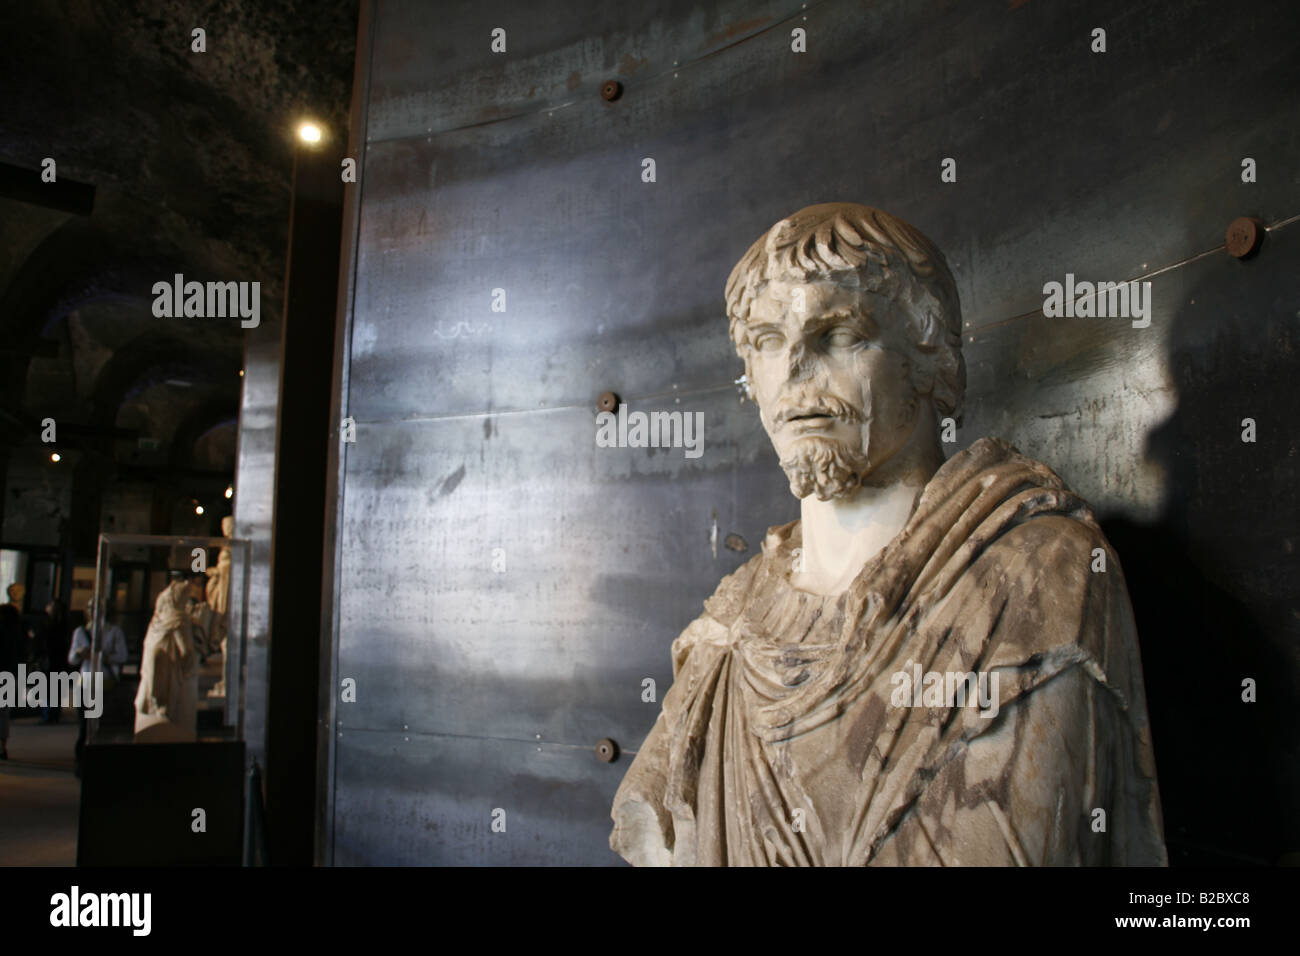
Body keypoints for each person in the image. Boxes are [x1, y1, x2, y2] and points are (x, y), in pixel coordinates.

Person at [610, 203, 1165, 866]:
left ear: (932, 362)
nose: (792, 372)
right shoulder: (732, 622)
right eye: (766, 341)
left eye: (839, 334)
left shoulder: (1037, 579)